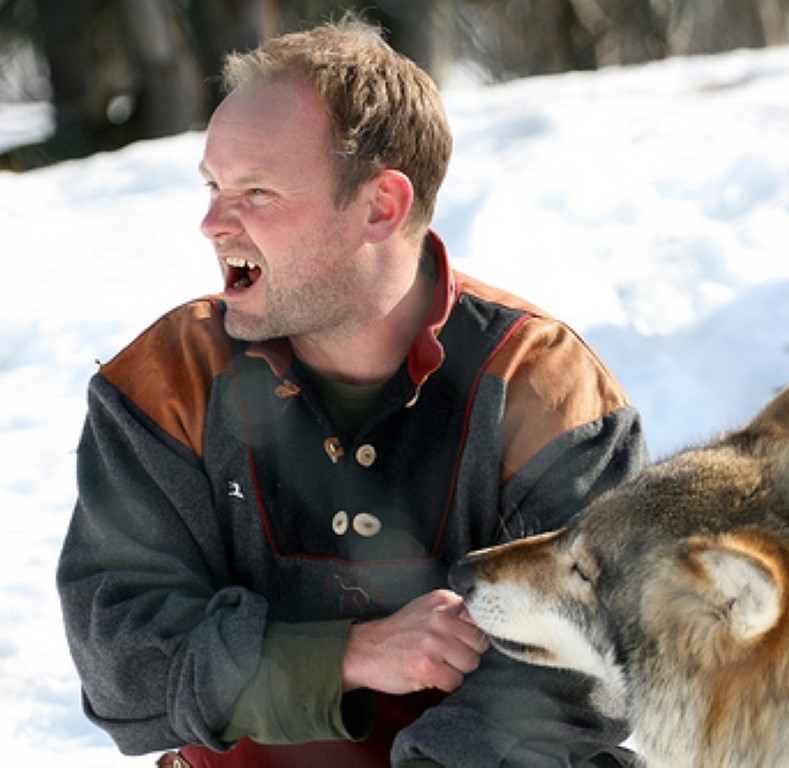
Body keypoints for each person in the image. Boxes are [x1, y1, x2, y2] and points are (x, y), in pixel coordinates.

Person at [57, 17, 648, 768]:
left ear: (380, 207)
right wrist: (351, 655)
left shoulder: (543, 383)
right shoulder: (166, 380)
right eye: (213, 186)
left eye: (256, 192)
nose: (211, 223)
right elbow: (121, 664)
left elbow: (592, 668)